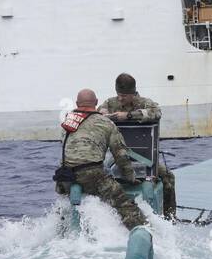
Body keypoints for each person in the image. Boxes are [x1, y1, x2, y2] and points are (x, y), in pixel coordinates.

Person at [54, 89, 147, 229]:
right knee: (124, 203)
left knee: (64, 204)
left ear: (77, 103)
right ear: (96, 103)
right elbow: (121, 154)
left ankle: (61, 229)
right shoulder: (106, 123)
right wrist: (130, 177)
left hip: (65, 177)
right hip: (92, 176)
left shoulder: (67, 123)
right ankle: (142, 233)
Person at [101, 73, 177, 220]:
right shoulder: (111, 103)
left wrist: (128, 116)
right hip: (116, 157)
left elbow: (156, 113)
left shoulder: (145, 103)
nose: (120, 98)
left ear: (133, 93)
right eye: (119, 94)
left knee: (168, 176)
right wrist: (103, 113)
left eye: (124, 95)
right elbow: (101, 111)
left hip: (144, 157)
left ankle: (169, 217)